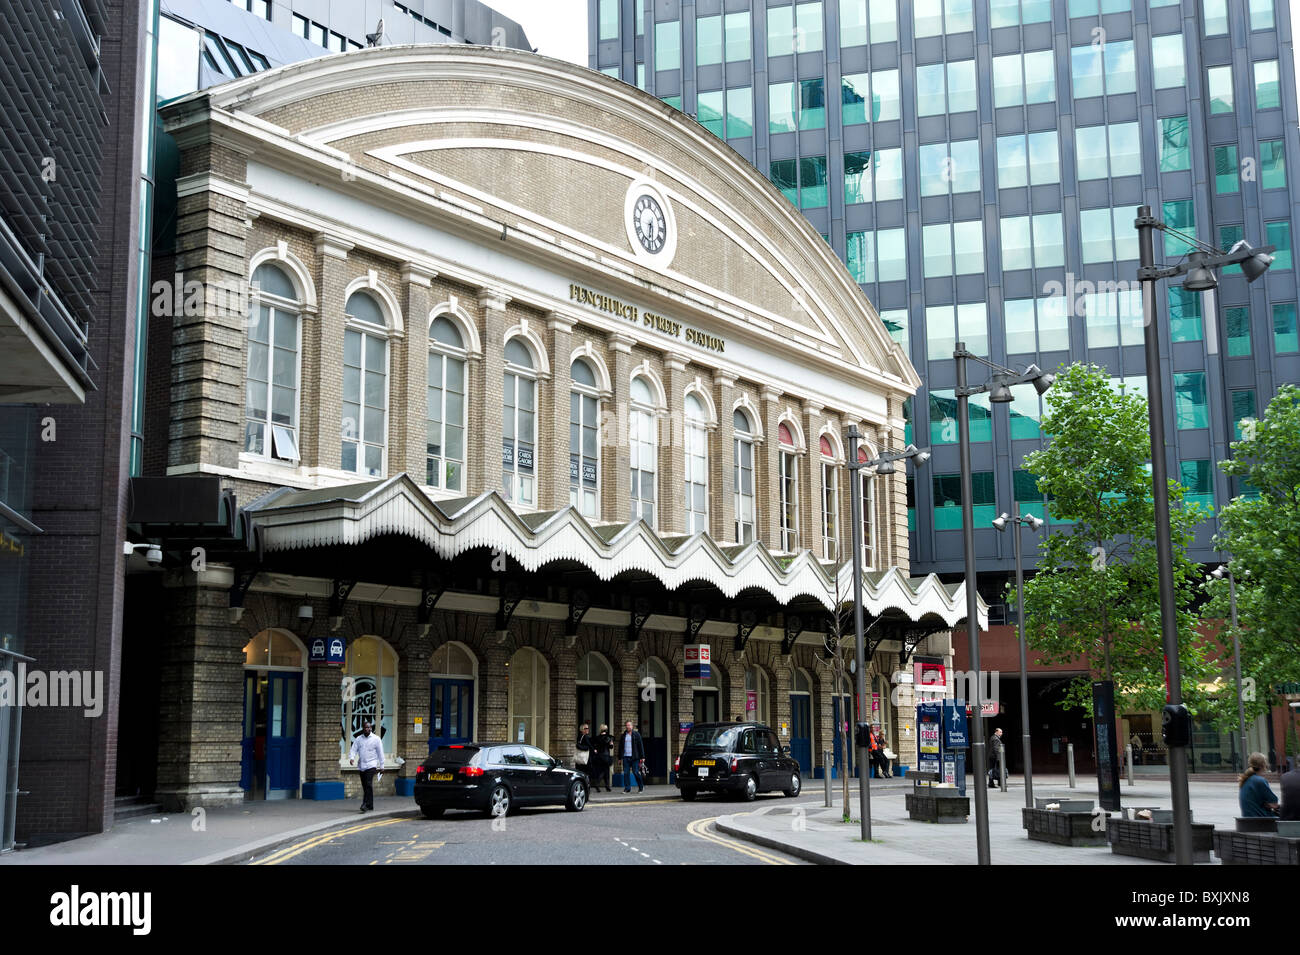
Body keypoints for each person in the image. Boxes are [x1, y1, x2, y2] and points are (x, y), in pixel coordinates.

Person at [348, 719, 385, 812]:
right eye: (365, 727)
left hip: (371, 765)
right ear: (363, 728)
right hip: (362, 765)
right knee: (366, 786)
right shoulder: (358, 739)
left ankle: (364, 804)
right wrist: (352, 758)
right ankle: (370, 805)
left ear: (371, 728)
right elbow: (353, 749)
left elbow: (380, 753)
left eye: (369, 727)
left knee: (368, 784)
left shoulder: (376, 739)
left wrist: (382, 766)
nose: (367, 729)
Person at [1239, 752, 1280, 817]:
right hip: (1261, 819)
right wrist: (1267, 804)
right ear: (1263, 765)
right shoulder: (1260, 781)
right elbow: (1274, 804)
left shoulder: (1245, 779)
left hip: (1247, 820)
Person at [619, 719, 645, 793]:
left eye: (629, 725)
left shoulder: (636, 734)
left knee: (635, 772)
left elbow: (640, 746)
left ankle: (641, 787)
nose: (628, 727)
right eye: (627, 725)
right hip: (626, 757)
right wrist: (620, 758)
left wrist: (642, 757)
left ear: (632, 726)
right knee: (626, 773)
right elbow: (620, 747)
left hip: (635, 757)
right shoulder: (623, 735)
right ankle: (627, 788)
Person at [591, 723, 615, 792]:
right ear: (606, 729)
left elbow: (594, 746)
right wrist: (611, 743)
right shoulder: (608, 737)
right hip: (606, 756)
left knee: (603, 770)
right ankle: (597, 783)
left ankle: (607, 786)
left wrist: (595, 749)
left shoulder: (597, 737)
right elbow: (611, 747)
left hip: (599, 756)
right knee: (605, 771)